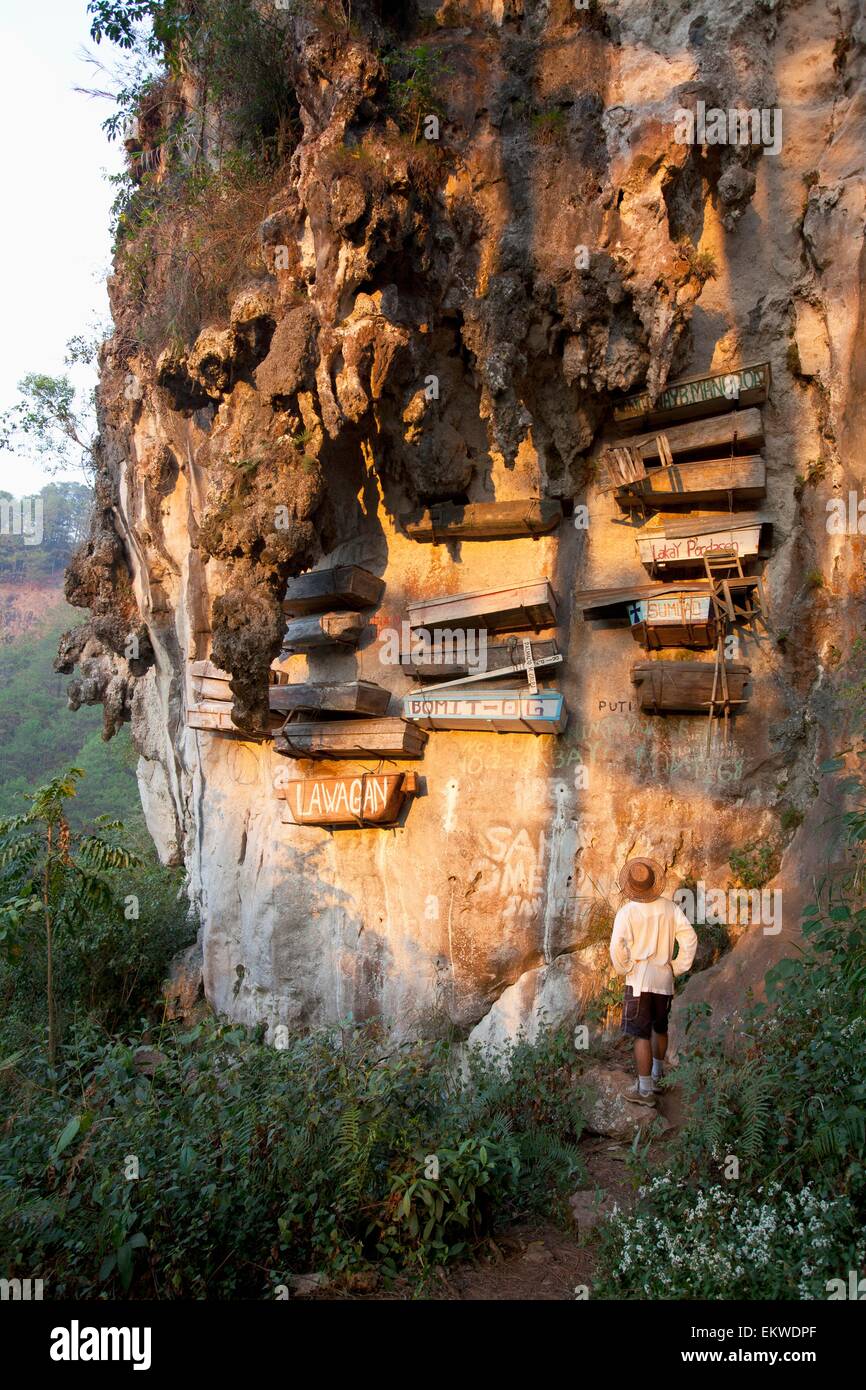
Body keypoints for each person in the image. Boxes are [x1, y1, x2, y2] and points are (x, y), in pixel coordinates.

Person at [609, 857, 698, 1107]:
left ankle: (645, 1091)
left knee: (641, 1035)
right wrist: (676, 967)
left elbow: (617, 946)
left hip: (640, 979)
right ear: (652, 883)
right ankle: (658, 1077)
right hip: (664, 978)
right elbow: (690, 940)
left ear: (631, 885)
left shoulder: (627, 911)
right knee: (660, 1028)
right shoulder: (669, 908)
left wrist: (626, 968)